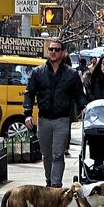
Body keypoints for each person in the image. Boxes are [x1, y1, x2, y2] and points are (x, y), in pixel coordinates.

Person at [23, 39, 86, 187]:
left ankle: (55, 185)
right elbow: (29, 93)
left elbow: (79, 94)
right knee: (47, 155)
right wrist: (28, 113)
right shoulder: (38, 72)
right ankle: (49, 181)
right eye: (51, 49)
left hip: (62, 120)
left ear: (62, 53)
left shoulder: (71, 74)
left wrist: (84, 107)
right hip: (44, 119)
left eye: (56, 49)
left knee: (58, 154)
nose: (52, 52)